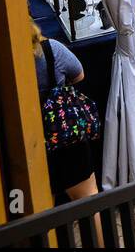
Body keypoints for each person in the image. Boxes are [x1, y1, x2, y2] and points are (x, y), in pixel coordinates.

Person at [31, 22, 99, 204]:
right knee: (89, 200)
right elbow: (79, 74)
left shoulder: (4, 59)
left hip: (32, 142)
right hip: (65, 134)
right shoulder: (52, 49)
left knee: (41, 208)